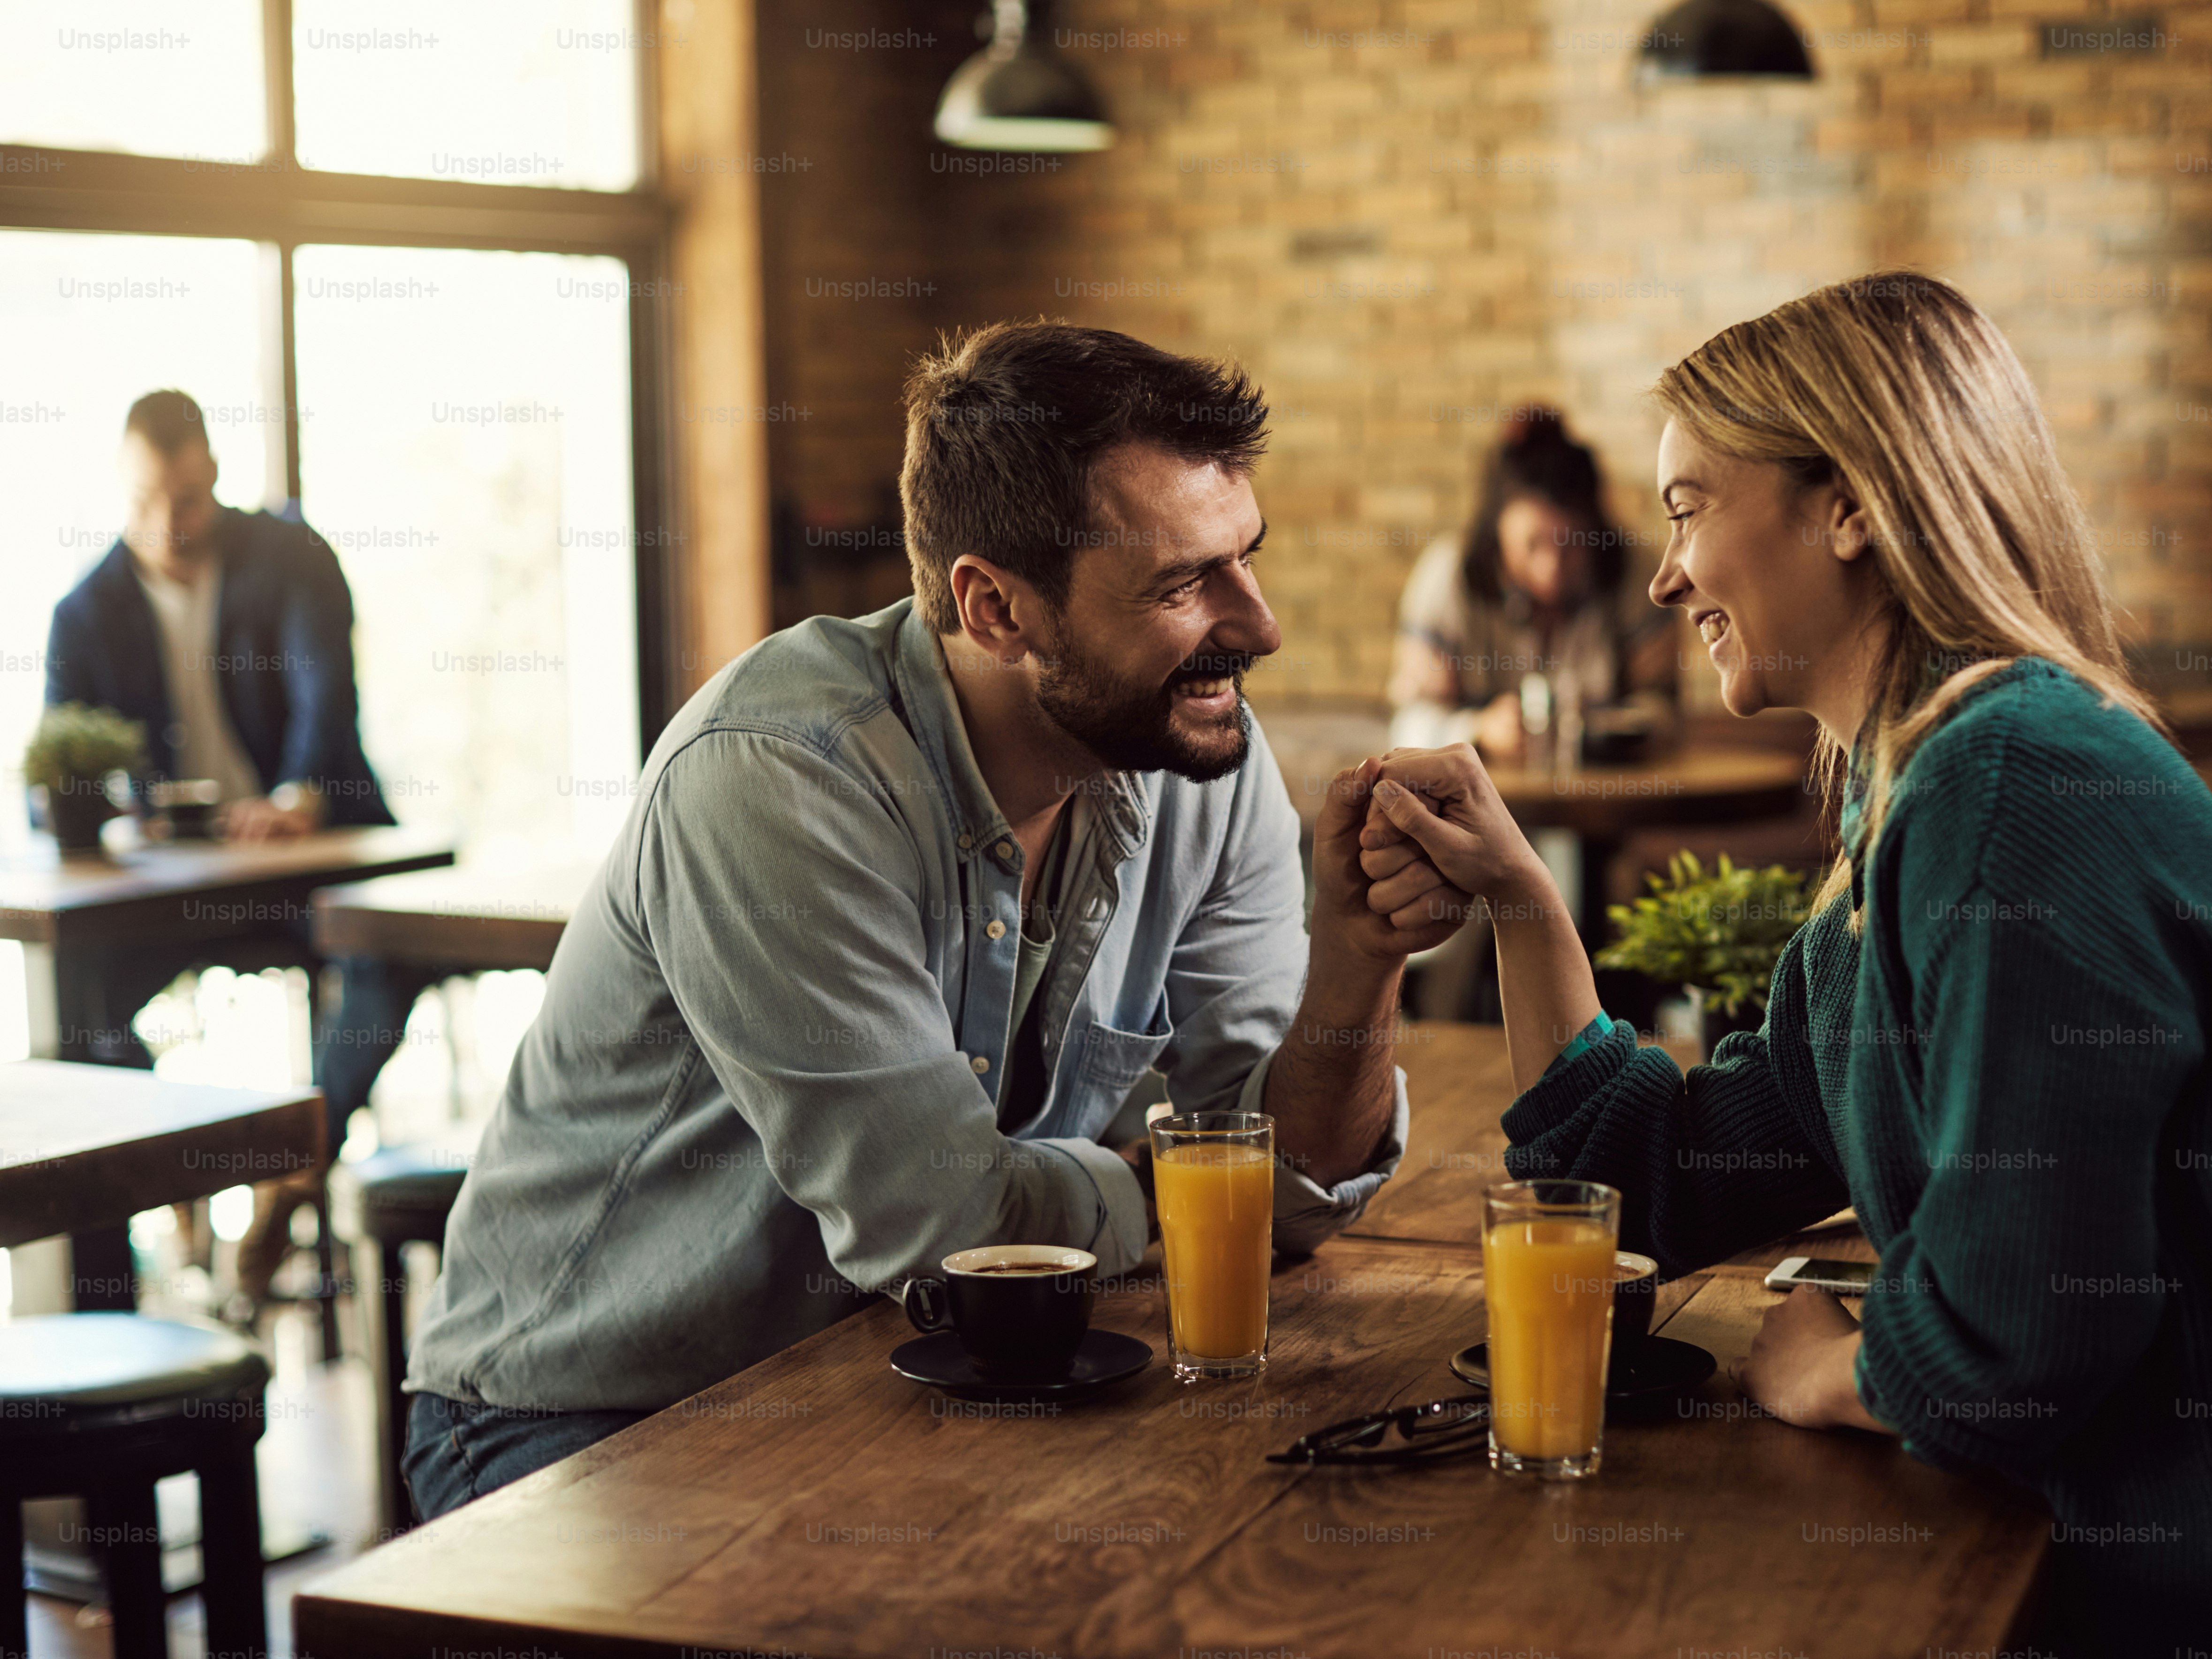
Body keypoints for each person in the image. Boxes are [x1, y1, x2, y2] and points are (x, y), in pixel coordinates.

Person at [1351, 273, 2212, 1656]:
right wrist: (1524, 900)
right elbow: (1657, 1174)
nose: (1660, 575)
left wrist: (1830, 1373)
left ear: (1851, 504)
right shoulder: (1920, 800)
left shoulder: (2006, 797)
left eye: (1687, 507)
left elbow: (2021, 1349)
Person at [400, 323, 1463, 1518]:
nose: (1258, 625)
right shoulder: (780, 776)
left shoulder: (1192, 755)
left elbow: (1285, 1187)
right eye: (1180, 584)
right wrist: (1185, 1185)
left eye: (1243, 559)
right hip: (593, 1425)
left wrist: (1359, 964)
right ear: (995, 609)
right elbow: (951, 1235)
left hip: (921, 1382)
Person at [45, 389, 433, 1315]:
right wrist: (105, 813)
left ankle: (294, 1165)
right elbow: (56, 769)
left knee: (393, 949)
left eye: (185, 497)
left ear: (213, 473)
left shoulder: (288, 558)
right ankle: (150, 1223)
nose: (167, 524)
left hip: (307, 869)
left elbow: (323, 695)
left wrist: (300, 792)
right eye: (145, 500)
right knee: (88, 1012)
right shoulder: (85, 611)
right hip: (172, 894)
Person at [1386, 405, 1675, 758]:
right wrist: (1477, 730)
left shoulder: (1634, 570)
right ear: (1497, 531)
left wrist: (1602, 732)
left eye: (1570, 544)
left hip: (1602, 807)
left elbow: (1666, 713)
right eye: (1532, 544)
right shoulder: (1449, 577)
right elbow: (1408, 725)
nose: (1550, 568)